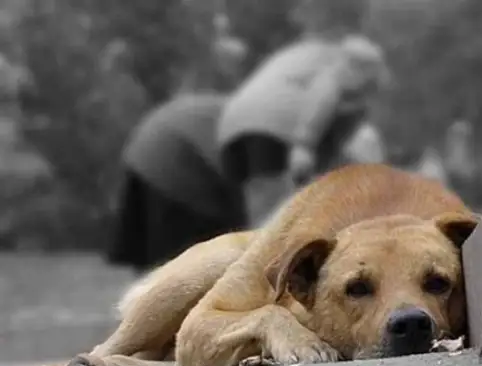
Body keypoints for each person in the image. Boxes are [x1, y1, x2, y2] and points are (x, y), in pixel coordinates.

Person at [216, 1, 390, 226]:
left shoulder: (304, 52)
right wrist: (304, 144)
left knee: (260, 224)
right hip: (275, 127)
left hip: (232, 131)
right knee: (277, 226)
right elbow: (325, 91)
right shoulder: (352, 61)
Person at [106, 17, 249, 273]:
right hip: (168, 163)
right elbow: (233, 172)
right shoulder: (240, 121)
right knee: (178, 267)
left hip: (143, 155)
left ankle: (145, 304)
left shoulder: (228, 109)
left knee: (155, 265)